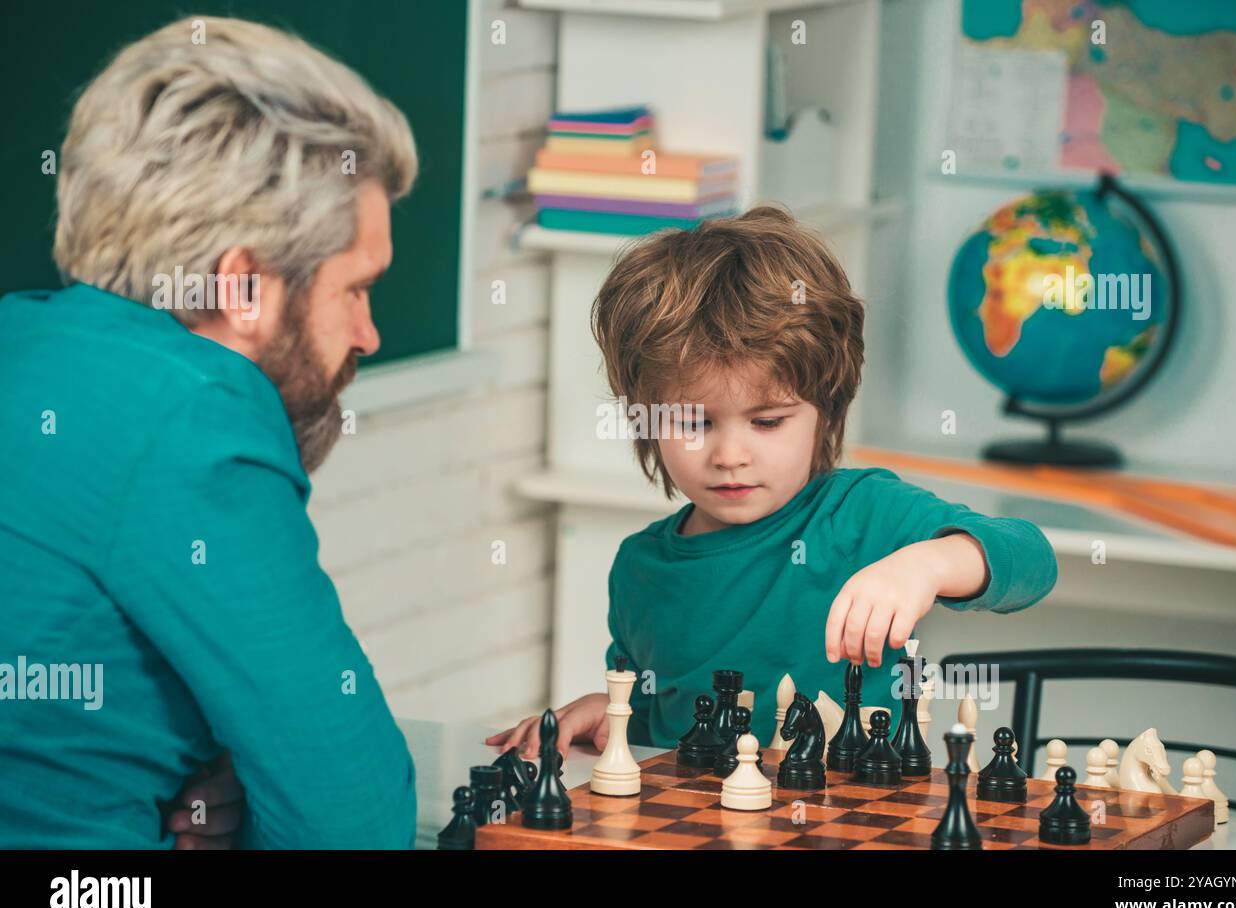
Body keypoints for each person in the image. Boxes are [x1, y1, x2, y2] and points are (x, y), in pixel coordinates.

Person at [0, 16, 418, 848]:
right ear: (245, 286)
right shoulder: (192, 414)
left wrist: (222, 778)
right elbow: (353, 819)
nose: (369, 335)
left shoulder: (23, 341)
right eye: (356, 289)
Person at [490, 205, 1059, 757]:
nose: (730, 455)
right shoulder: (639, 570)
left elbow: (1031, 560)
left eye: (767, 421)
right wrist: (611, 712)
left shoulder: (862, 516)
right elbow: (667, 718)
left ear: (825, 411)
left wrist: (930, 564)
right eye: (692, 421)